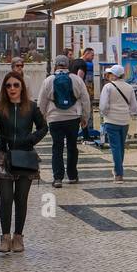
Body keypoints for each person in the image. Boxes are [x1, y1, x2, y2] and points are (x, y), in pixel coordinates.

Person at [0, 72, 47, 254]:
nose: (12, 89)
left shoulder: (31, 107)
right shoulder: (0, 108)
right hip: (4, 156)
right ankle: (5, 237)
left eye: (16, 85)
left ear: (22, 87)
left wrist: (30, 139)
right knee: (6, 198)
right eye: (8, 86)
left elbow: (43, 127)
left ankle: (18, 237)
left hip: (25, 156)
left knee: (21, 199)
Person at [38, 55, 90, 188]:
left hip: (55, 119)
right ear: (68, 65)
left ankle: (58, 178)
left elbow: (41, 101)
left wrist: (43, 116)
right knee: (72, 147)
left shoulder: (48, 80)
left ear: (55, 65)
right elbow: (85, 100)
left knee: (57, 147)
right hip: (73, 118)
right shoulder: (77, 79)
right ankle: (72, 176)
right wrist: (85, 117)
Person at [99, 63, 135, 180]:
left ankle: (119, 173)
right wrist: (127, 113)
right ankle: (118, 169)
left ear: (114, 75)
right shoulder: (129, 87)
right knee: (121, 146)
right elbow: (134, 107)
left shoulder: (108, 87)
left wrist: (104, 115)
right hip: (124, 121)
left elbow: (103, 105)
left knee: (115, 147)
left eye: (110, 73)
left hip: (111, 120)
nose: (109, 76)